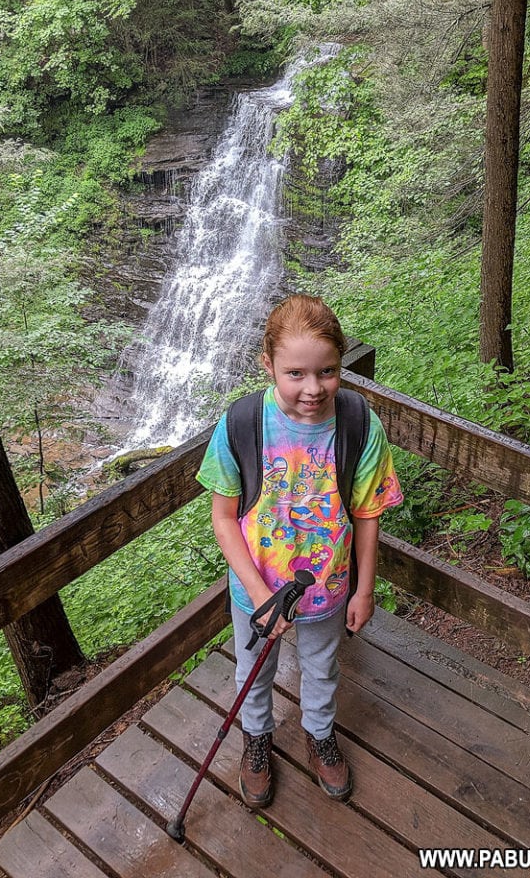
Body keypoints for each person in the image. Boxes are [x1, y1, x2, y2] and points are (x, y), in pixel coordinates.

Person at [196, 294, 403, 807]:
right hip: (256, 588)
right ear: (267, 365)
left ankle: (318, 734)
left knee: (322, 666)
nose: (313, 388)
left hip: (329, 586)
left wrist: (365, 589)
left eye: (328, 372)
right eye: (295, 373)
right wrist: (259, 592)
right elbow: (224, 520)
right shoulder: (243, 424)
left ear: (340, 363)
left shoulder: (358, 424)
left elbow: (368, 512)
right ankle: (257, 740)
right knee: (254, 672)